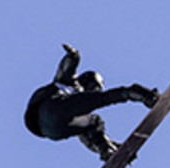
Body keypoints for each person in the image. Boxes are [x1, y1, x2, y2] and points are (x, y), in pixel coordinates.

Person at [24, 44, 159, 161]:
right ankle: (143, 95)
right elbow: (67, 69)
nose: (94, 91)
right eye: (95, 88)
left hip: (49, 131)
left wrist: (118, 151)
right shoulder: (70, 84)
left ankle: (106, 150)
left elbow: (88, 137)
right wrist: (73, 56)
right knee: (107, 99)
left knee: (92, 123)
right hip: (50, 107)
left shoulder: (75, 105)